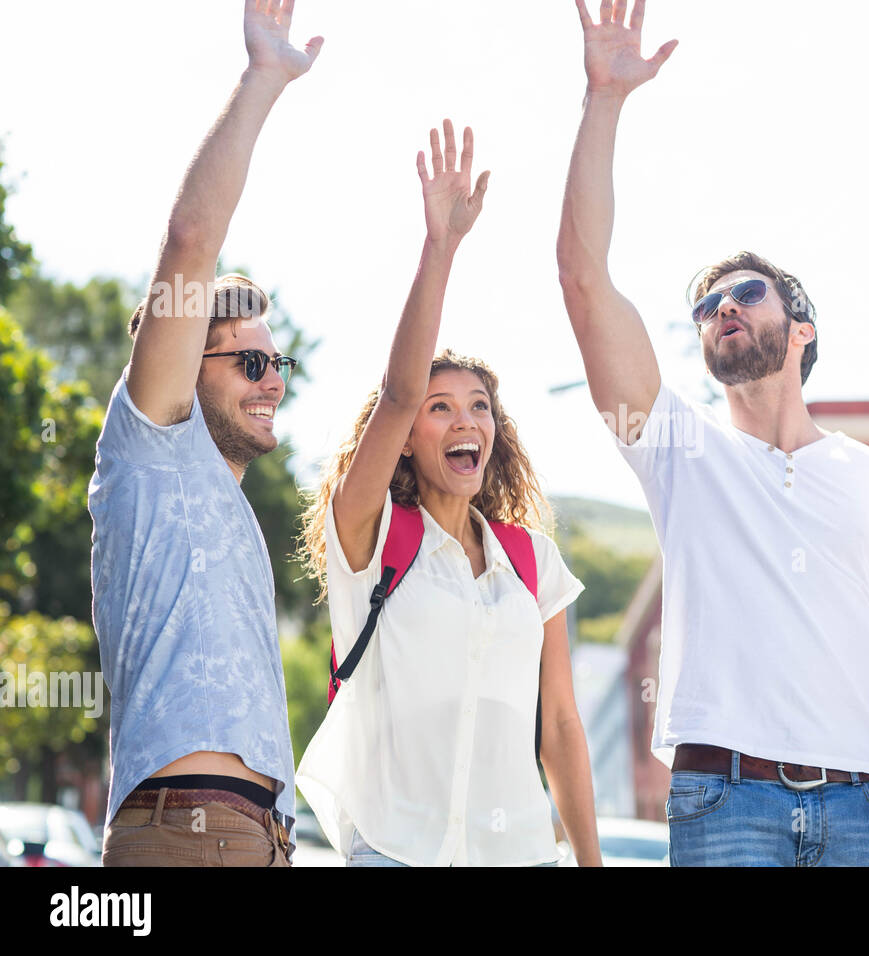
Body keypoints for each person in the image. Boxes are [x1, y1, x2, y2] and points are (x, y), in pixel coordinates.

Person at [555, 0, 869, 867]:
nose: (723, 307)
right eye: (707, 306)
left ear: (801, 330)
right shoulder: (676, 449)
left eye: (745, 293)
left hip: (868, 808)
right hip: (722, 801)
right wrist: (604, 102)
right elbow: (584, 280)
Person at [296, 121, 601, 867]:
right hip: (394, 848)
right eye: (441, 408)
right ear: (404, 435)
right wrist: (441, 248)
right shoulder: (371, 537)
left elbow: (558, 723)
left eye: (479, 407)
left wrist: (591, 864)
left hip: (521, 853)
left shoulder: (531, 562)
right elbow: (398, 390)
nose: (465, 420)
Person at [89, 0, 323, 866]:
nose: (272, 382)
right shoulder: (150, 449)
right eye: (247, 364)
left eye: (277, 364)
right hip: (183, 831)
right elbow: (192, 244)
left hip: (262, 837)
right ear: (188, 364)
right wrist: (262, 80)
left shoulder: (233, 515)